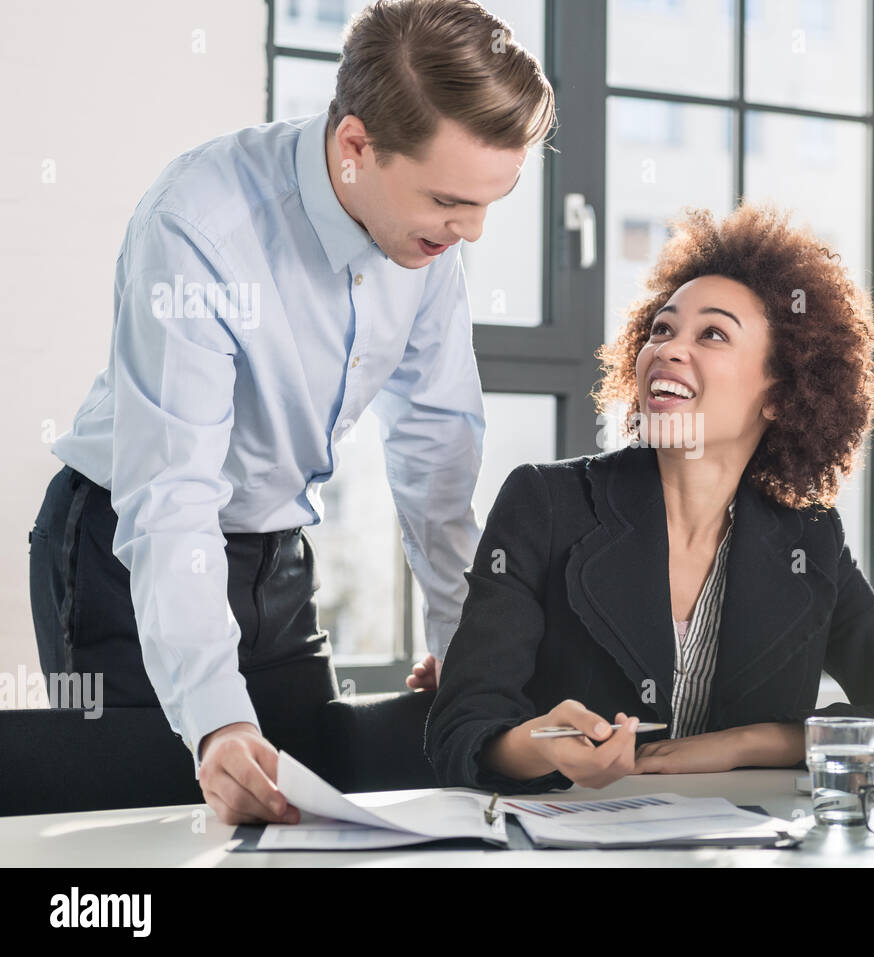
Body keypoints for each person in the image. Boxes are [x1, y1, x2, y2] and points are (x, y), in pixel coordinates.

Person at [28, 0, 554, 825]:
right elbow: (171, 497)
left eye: (494, 202)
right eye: (452, 201)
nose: (474, 232)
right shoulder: (200, 223)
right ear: (356, 146)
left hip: (276, 553)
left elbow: (436, 457)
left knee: (307, 809)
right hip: (122, 554)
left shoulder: (431, 235)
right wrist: (217, 720)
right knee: (154, 819)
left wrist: (465, 649)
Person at [423, 202, 874, 793]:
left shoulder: (808, 538)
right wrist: (544, 746)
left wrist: (754, 743)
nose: (668, 349)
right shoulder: (546, 502)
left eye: (712, 333)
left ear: (782, 396)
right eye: (661, 328)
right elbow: (463, 728)